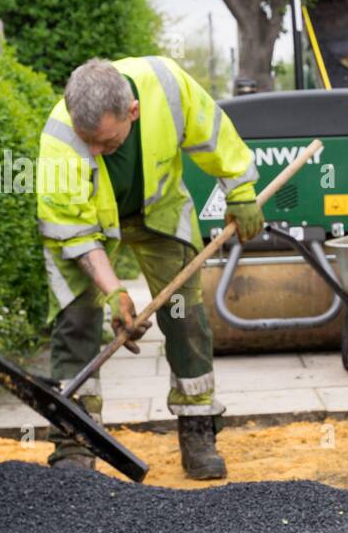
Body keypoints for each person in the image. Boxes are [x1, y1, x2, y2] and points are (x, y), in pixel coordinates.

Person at [35, 57, 263, 479]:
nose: (95, 152)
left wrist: (241, 189)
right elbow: (75, 236)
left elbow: (214, 134)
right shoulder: (61, 138)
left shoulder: (167, 85)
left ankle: (198, 430)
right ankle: (74, 441)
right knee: (77, 317)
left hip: (156, 211)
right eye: (89, 143)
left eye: (106, 141)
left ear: (133, 112)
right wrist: (112, 292)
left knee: (183, 314)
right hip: (84, 229)